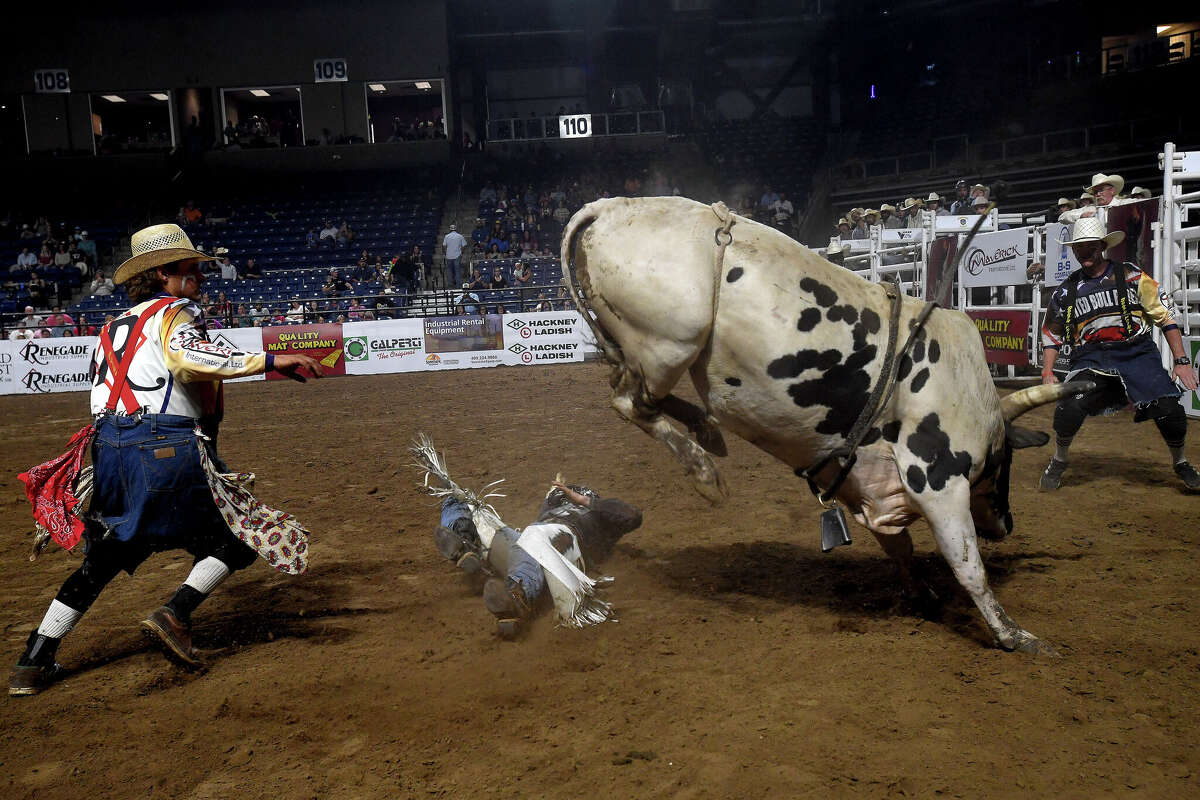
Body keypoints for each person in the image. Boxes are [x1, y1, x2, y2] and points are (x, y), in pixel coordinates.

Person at [9, 223, 324, 696]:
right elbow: (185, 358)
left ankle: (33, 660)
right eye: (189, 267)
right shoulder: (178, 312)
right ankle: (175, 613)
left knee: (109, 555)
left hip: (111, 454)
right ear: (162, 275)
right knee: (240, 536)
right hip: (166, 448)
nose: (199, 273)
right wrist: (269, 360)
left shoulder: (112, 327)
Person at [1038, 218, 1200, 491]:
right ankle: (1059, 460)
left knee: (1169, 409)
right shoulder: (1066, 291)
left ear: (1102, 246)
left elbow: (1165, 318)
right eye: (1079, 248)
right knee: (1069, 407)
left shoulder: (1131, 275)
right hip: (1090, 356)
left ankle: (1181, 462)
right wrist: (1047, 370)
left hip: (1135, 352)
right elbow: (1052, 333)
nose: (1083, 253)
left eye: (1089, 247)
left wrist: (1181, 360)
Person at [432, 477, 642, 638]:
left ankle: (517, 598)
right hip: (527, 544)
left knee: (534, 538)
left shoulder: (599, 521)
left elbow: (632, 515)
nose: (565, 496)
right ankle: (464, 542)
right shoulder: (549, 512)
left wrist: (585, 500)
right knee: (457, 498)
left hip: (563, 546)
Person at [442, 223, 467, 288]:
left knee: (449, 271)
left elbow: (444, 246)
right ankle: (459, 285)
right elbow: (464, 245)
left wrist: (445, 254)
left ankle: (450, 284)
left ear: (450, 229)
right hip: (457, 255)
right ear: (456, 229)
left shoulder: (446, 236)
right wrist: (461, 252)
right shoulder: (460, 236)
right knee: (457, 270)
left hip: (448, 256)